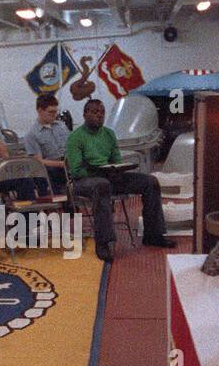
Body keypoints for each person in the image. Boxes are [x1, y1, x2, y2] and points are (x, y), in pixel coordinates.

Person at [66, 99, 175, 262]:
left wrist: (118, 169)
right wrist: (98, 170)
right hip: (85, 180)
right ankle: (104, 242)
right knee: (102, 186)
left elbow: (116, 159)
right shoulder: (75, 137)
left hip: (109, 176)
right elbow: (75, 170)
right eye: (95, 112)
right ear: (85, 114)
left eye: (102, 112)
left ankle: (153, 234)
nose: (99, 116)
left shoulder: (109, 134)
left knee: (150, 182)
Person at [24, 93, 71, 192]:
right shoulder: (32, 134)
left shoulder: (62, 126)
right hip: (53, 167)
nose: (54, 115)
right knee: (49, 172)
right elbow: (38, 161)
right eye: (51, 112)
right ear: (40, 111)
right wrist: (61, 164)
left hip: (69, 162)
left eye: (55, 112)